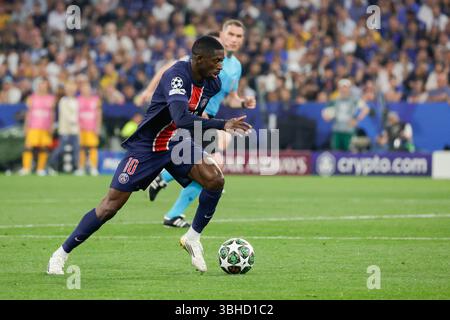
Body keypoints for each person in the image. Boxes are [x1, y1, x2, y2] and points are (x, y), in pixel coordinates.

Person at [47, 36, 252, 275]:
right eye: (216, 61)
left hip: (176, 143)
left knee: (215, 179)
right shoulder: (176, 77)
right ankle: (60, 254)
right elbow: (181, 118)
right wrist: (222, 124)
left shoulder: (212, 83)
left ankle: (192, 238)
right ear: (198, 59)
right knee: (109, 207)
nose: (221, 66)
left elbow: (189, 120)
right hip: (148, 147)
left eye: (222, 61)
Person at [141, 20, 256, 228]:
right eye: (231, 34)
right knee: (211, 166)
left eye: (239, 36)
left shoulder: (236, 66)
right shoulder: (207, 56)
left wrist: (242, 102)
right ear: (221, 33)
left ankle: (165, 187)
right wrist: (149, 90)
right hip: (193, 117)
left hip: (208, 120)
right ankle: (170, 204)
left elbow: (230, 96)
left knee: (204, 167)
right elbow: (170, 68)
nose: (234, 39)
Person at [19, 78, 56, 176]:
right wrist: (26, 126)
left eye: (45, 84)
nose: (43, 86)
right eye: (41, 84)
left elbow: (52, 113)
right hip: (33, 126)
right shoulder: (31, 98)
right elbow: (28, 113)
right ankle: (26, 168)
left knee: (43, 148)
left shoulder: (51, 98)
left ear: (47, 86)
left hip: (45, 127)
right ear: (38, 86)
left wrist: (51, 125)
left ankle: (40, 169)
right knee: (28, 147)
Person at [321, 78, 370, 151]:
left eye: (345, 88)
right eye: (342, 88)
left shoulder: (354, 100)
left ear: (349, 89)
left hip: (349, 131)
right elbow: (324, 111)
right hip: (337, 130)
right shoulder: (334, 100)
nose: (344, 90)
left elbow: (366, 109)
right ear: (339, 89)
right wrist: (326, 116)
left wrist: (356, 120)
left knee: (349, 153)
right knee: (336, 153)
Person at [48, 80, 80, 174]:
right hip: (65, 130)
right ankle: (51, 166)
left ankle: (76, 168)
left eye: (72, 89)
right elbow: (67, 115)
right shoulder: (63, 101)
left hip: (75, 130)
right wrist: (75, 121)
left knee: (76, 149)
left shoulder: (76, 101)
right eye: (69, 89)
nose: (71, 91)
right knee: (60, 149)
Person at [76, 81, 102, 176]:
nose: (86, 90)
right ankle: (81, 168)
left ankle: (93, 168)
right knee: (81, 148)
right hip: (81, 128)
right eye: (84, 88)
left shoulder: (96, 100)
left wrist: (98, 127)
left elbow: (99, 114)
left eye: (88, 88)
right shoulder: (78, 99)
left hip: (92, 128)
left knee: (93, 148)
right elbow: (75, 114)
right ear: (81, 90)